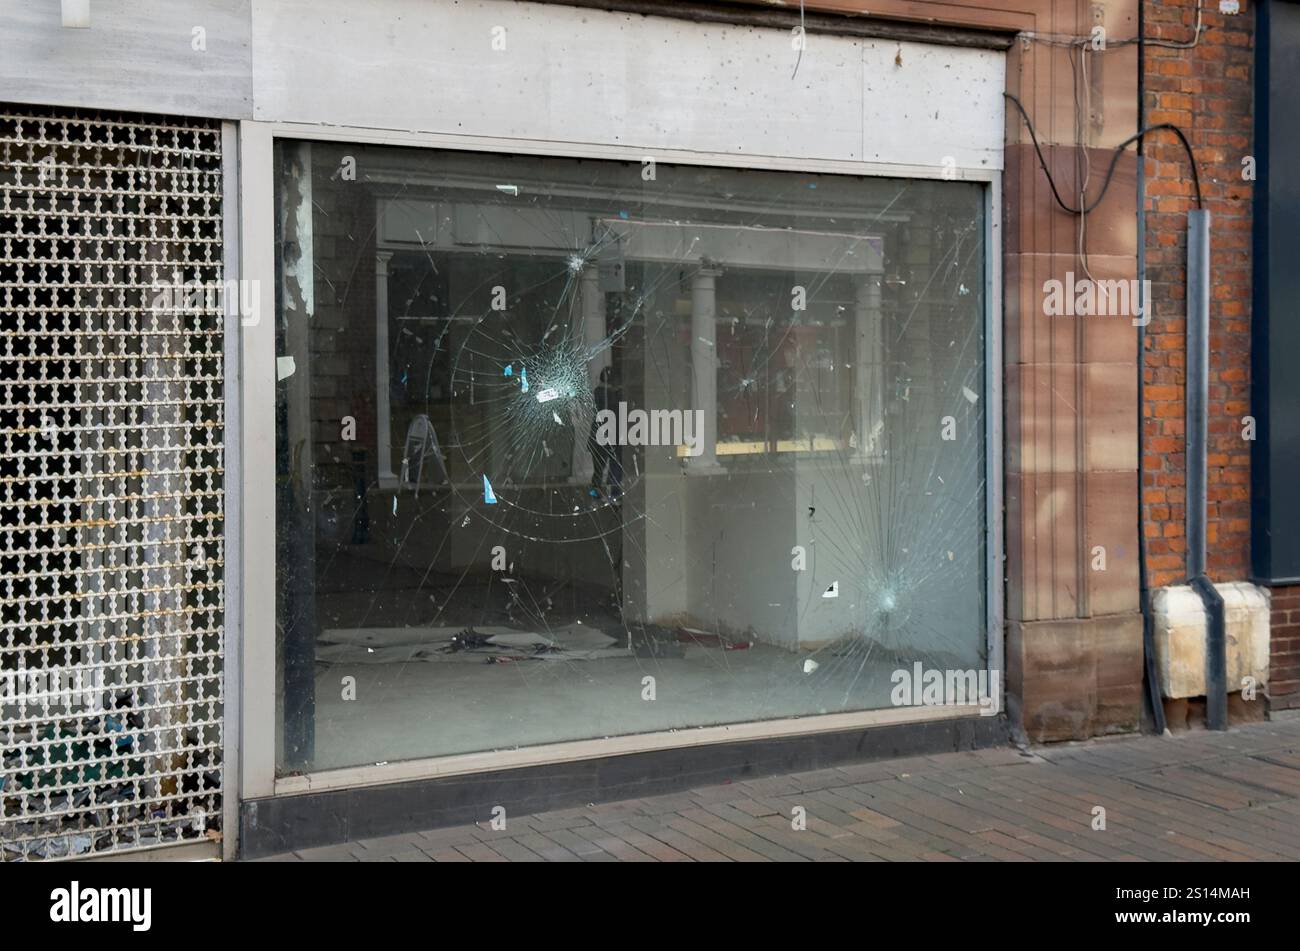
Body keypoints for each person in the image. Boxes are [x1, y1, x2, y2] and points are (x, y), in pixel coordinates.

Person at [587, 364, 622, 497]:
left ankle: (598, 493)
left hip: (603, 435)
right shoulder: (606, 394)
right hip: (608, 435)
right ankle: (612, 493)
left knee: (601, 468)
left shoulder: (600, 392)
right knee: (611, 467)